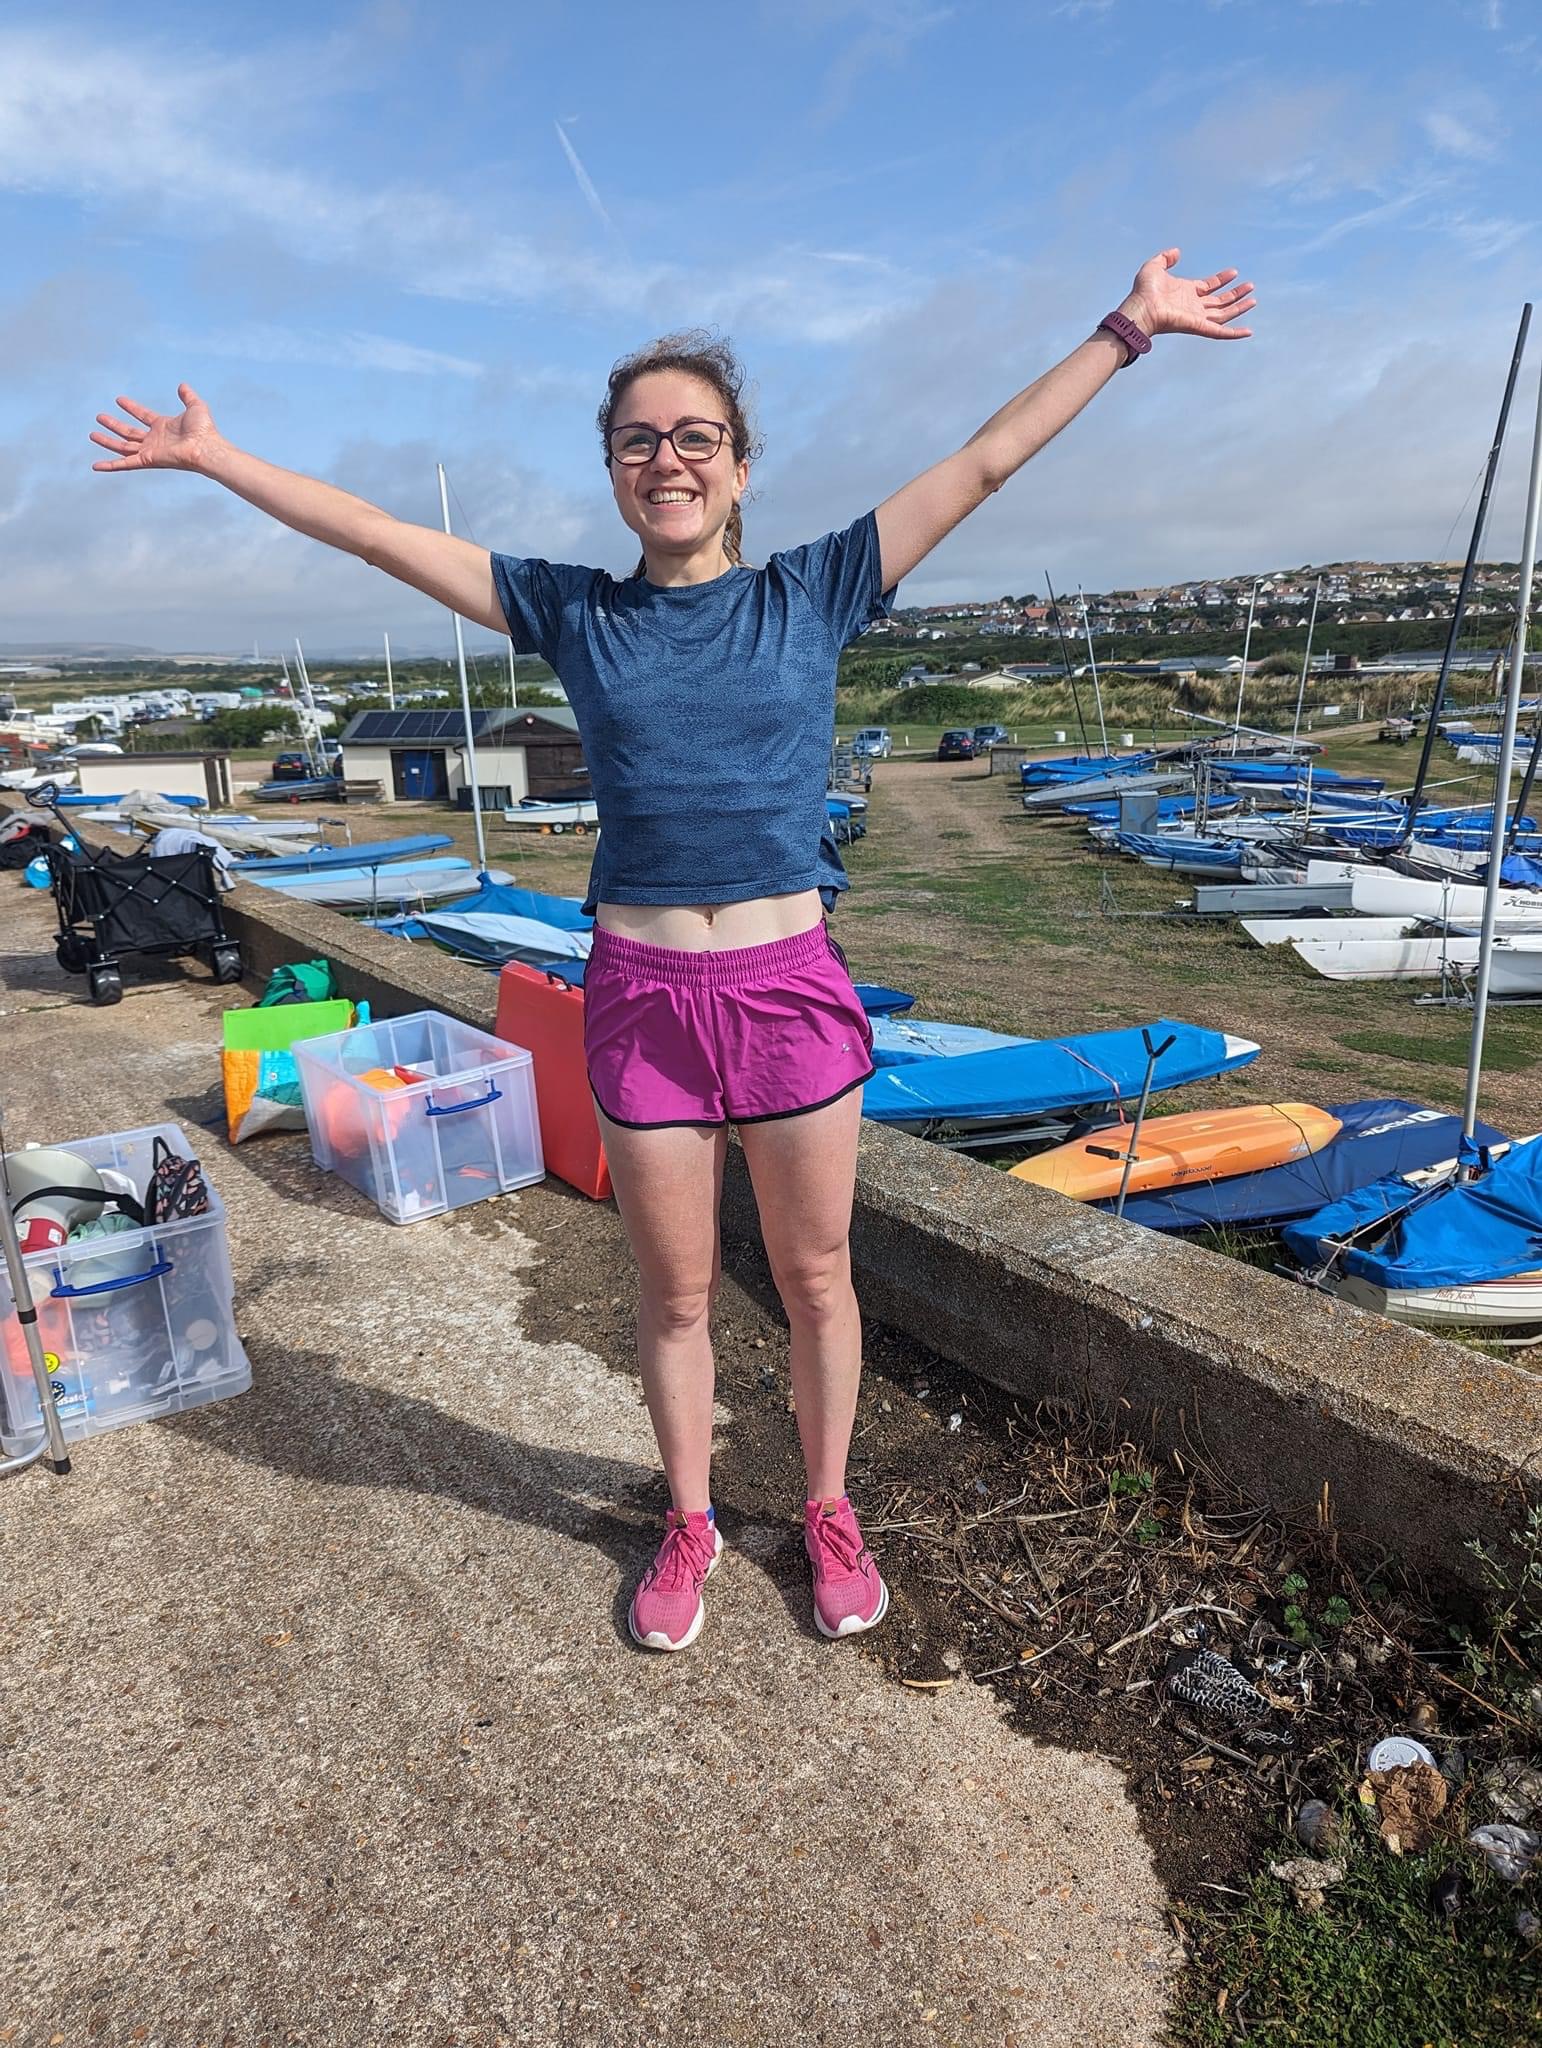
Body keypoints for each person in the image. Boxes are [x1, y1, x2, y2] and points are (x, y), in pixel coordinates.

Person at [92, 247, 1255, 1653]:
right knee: (677, 1290)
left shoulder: (815, 593)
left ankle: (827, 1510)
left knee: (817, 1277)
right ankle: (690, 1522)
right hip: (640, 993)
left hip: (785, 990)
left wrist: (1129, 327)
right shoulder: (576, 612)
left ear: (740, 465)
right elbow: (374, 535)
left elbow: (987, 458)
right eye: (639, 439)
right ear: (614, 469)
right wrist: (220, 458)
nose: (668, 458)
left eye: (695, 436)